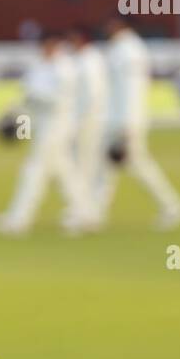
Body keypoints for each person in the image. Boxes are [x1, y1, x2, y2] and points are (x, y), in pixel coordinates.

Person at [0, 31, 90, 235]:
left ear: (55, 45)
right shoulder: (39, 66)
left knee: (34, 170)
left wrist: (33, 96)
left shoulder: (64, 69)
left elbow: (58, 101)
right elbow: (27, 97)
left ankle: (19, 220)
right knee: (64, 171)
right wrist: (16, 115)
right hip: (41, 126)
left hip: (57, 126)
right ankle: (84, 214)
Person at [96, 14, 180, 230]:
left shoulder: (131, 51)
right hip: (114, 119)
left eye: (111, 23)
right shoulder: (119, 49)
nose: (107, 26)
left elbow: (132, 92)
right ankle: (93, 213)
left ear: (121, 25)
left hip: (125, 121)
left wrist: (128, 125)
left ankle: (172, 206)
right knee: (105, 168)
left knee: (138, 165)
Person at [66, 25, 107, 231]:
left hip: (87, 123)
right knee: (83, 169)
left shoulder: (89, 61)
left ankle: (83, 214)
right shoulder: (84, 60)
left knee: (83, 169)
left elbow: (90, 96)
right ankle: (87, 213)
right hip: (86, 121)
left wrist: (77, 122)